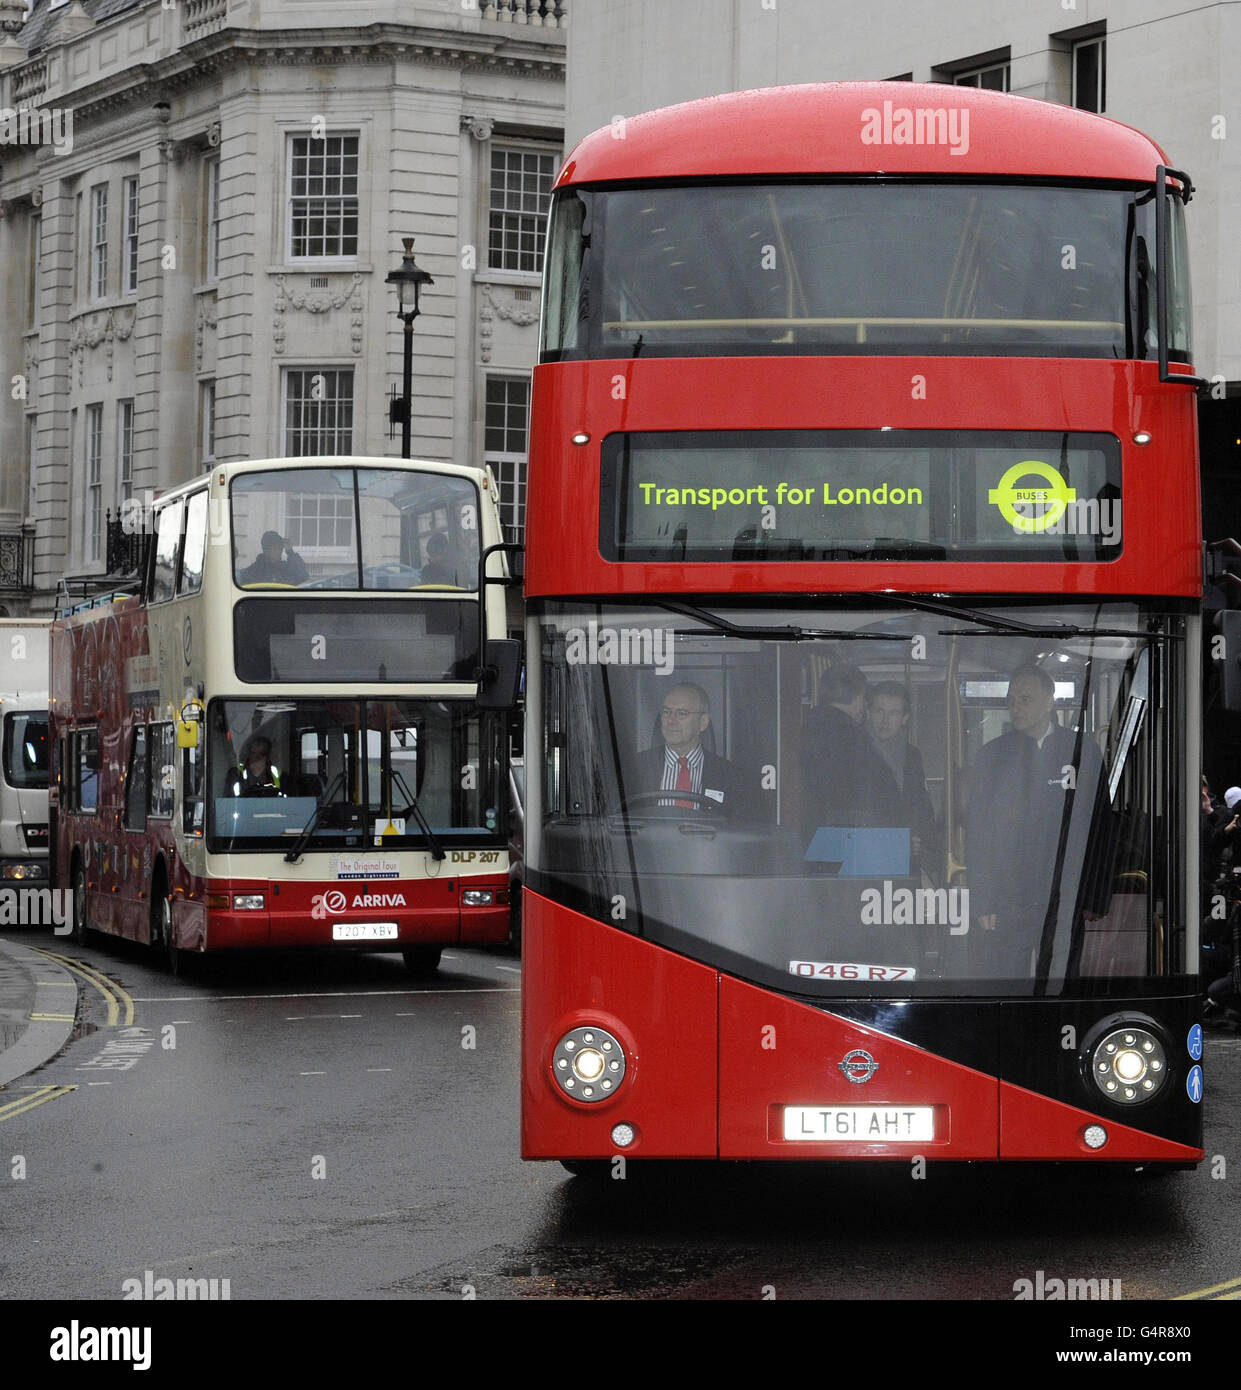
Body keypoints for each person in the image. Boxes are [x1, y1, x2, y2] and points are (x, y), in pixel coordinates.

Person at [965, 664, 1105, 978]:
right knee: (1005, 974)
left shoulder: (1082, 751)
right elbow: (979, 833)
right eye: (1012, 699)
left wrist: (1094, 895)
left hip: (1064, 891)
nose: (1016, 707)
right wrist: (983, 899)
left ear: (1050, 701)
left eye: (1025, 699)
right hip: (1009, 892)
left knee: (1060, 975)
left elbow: (1098, 825)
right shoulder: (992, 757)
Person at [633, 681, 748, 813]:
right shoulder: (633, 770)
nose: (671, 721)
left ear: (703, 722)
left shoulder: (732, 777)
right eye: (666, 712)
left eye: (681, 713)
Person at [801, 664, 892, 831]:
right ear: (858, 697)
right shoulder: (852, 738)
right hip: (848, 839)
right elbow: (871, 795)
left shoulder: (804, 728)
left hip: (811, 832)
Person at [865, 680, 939, 873]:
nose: (885, 721)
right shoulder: (856, 751)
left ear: (905, 718)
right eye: (879, 711)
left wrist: (916, 837)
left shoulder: (912, 755)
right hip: (864, 853)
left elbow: (920, 806)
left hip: (905, 855)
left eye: (893, 713)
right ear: (868, 713)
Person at [238, 531, 309, 586]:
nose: (279, 552)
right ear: (265, 550)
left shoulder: (285, 568)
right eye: (275, 548)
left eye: (280, 548)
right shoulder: (254, 570)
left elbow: (302, 576)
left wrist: (290, 552)